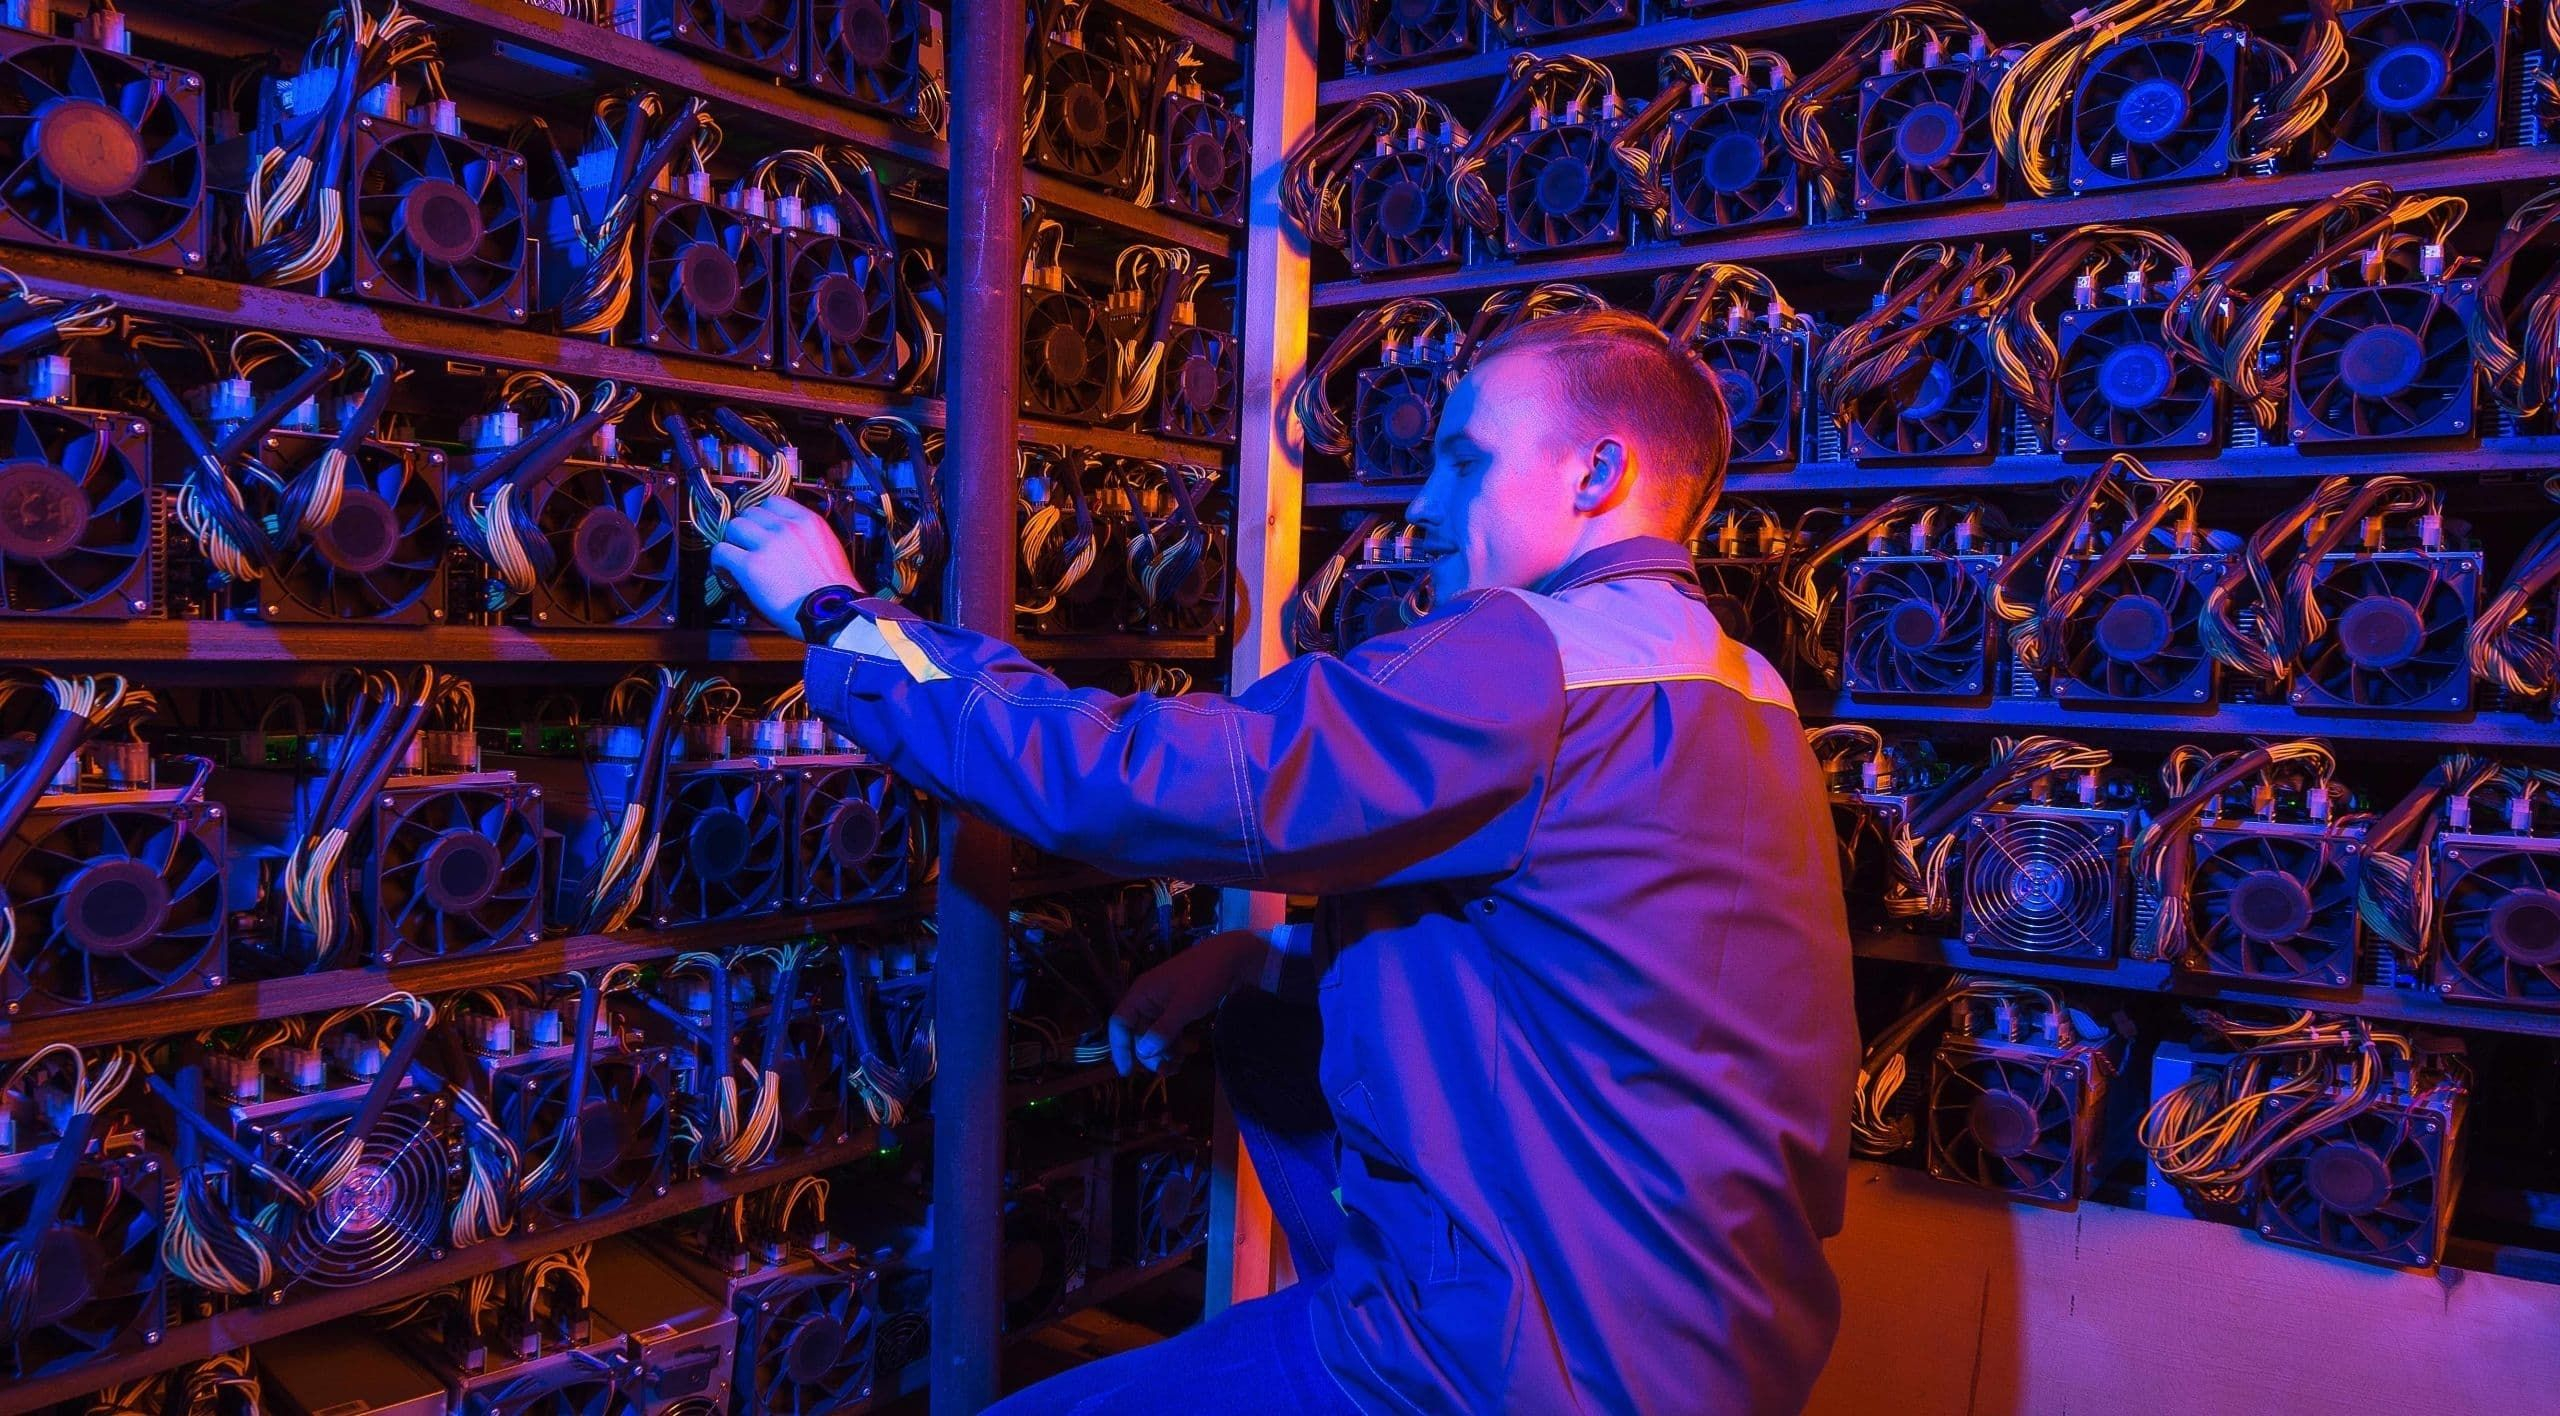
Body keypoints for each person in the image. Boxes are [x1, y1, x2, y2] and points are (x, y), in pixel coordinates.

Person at [711, 308, 1855, 1415]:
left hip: (1516, 1362)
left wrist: (839, 616)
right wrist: (1264, 961)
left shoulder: (1534, 659)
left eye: (1464, 462)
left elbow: (1139, 780)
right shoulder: (1741, 688)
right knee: (1266, 1033)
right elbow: (1600, 971)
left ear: (1595, 473)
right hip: (1712, 1337)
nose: (1421, 506)